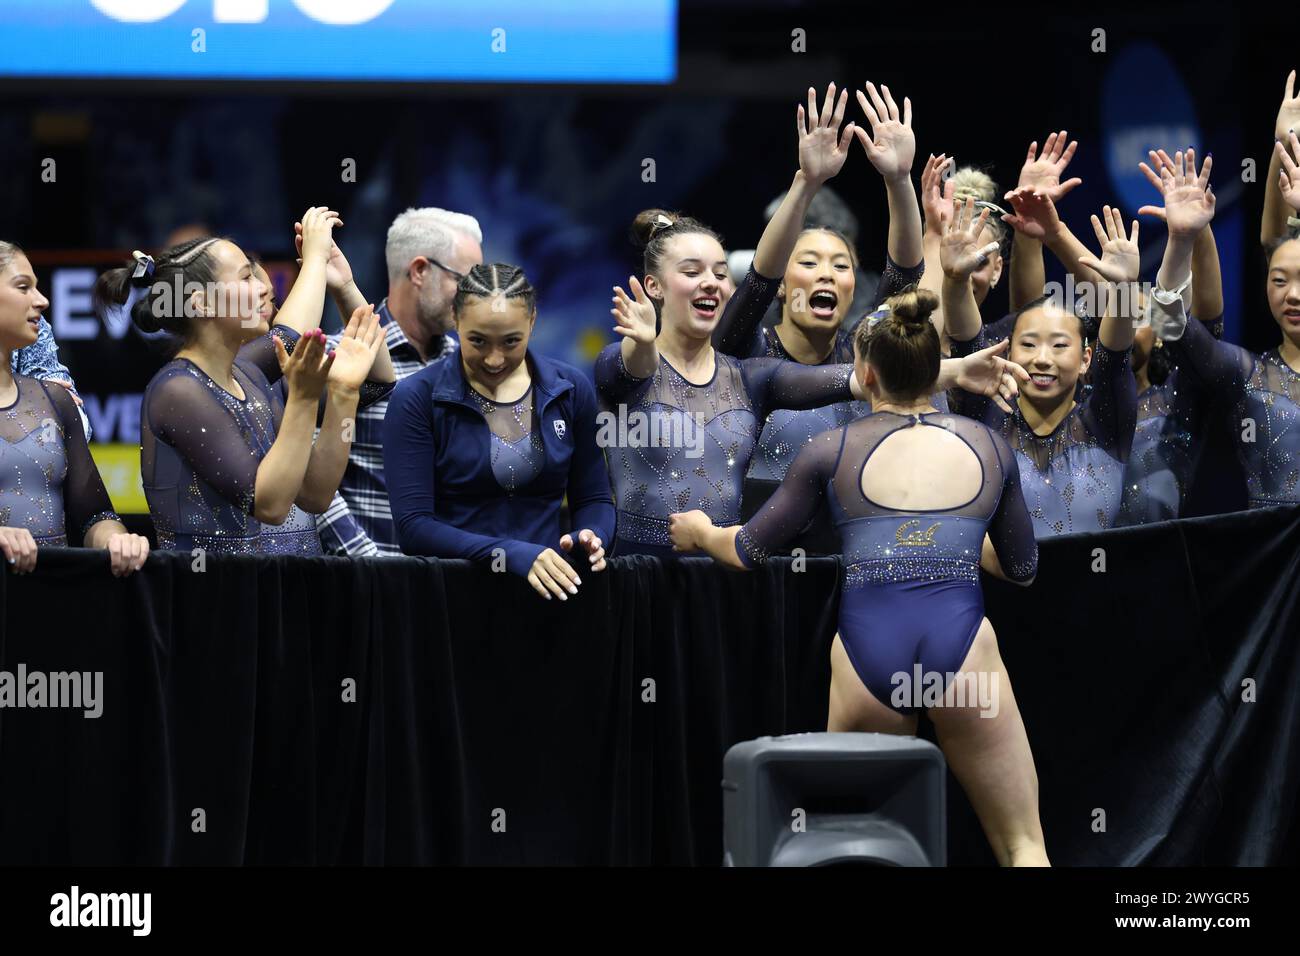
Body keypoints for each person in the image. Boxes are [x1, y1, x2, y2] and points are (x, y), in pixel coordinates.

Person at [667, 288, 1048, 867]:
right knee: (1023, 846)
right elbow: (1023, 568)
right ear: (934, 370)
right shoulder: (991, 446)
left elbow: (748, 550)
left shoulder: (830, 450)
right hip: (964, 648)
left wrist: (698, 533)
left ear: (865, 375)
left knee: (865, 853)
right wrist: (951, 538)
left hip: (871, 653)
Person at [96, 208, 386, 554]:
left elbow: (315, 494)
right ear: (200, 304)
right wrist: (314, 261)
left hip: (288, 593)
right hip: (222, 598)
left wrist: (343, 393)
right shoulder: (178, 390)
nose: (266, 289)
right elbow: (270, 505)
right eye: (246, 278)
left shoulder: (248, 375)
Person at [713, 82, 926, 485]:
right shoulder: (744, 348)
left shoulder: (865, 348)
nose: (826, 273)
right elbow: (758, 280)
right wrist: (807, 183)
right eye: (808, 262)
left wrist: (899, 180)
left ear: (853, 285)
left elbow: (904, 277)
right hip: (753, 542)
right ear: (783, 282)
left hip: (847, 543)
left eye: (840, 266)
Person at [384, 264, 613, 601]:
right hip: (450, 601)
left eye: (511, 342)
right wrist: (510, 554)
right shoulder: (417, 397)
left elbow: (594, 498)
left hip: (552, 596)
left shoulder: (570, 389)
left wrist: (592, 538)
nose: (494, 359)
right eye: (478, 341)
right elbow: (414, 527)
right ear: (455, 319)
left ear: (533, 321)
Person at [943, 197, 1148, 536]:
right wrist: (953, 279)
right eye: (1028, 344)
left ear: (1085, 360)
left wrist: (1124, 288)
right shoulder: (986, 412)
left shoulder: (1104, 421)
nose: (1041, 358)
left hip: (1091, 587)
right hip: (997, 588)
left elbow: (1115, 356)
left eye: (1059, 345)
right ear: (1008, 354)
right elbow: (967, 341)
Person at [313, 207, 484, 556]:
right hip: (366, 584)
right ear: (420, 271)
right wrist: (371, 566)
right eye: (466, 281)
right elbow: (311, 479)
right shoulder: (338, 356)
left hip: (455, 583)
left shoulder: (473, 365)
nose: (476, 297)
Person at [0, 241, 148, 575]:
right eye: (23, 287)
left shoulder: (55, 399)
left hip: (51, 604)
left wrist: (117, 540)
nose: (42, 300)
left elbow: (95, 514)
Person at [1164, 145, 1300, 508]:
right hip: (1275, 562)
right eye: (1279, 280)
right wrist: (1180, 242)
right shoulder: (1248, 375)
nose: (1293, 295)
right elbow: (1172, 325)